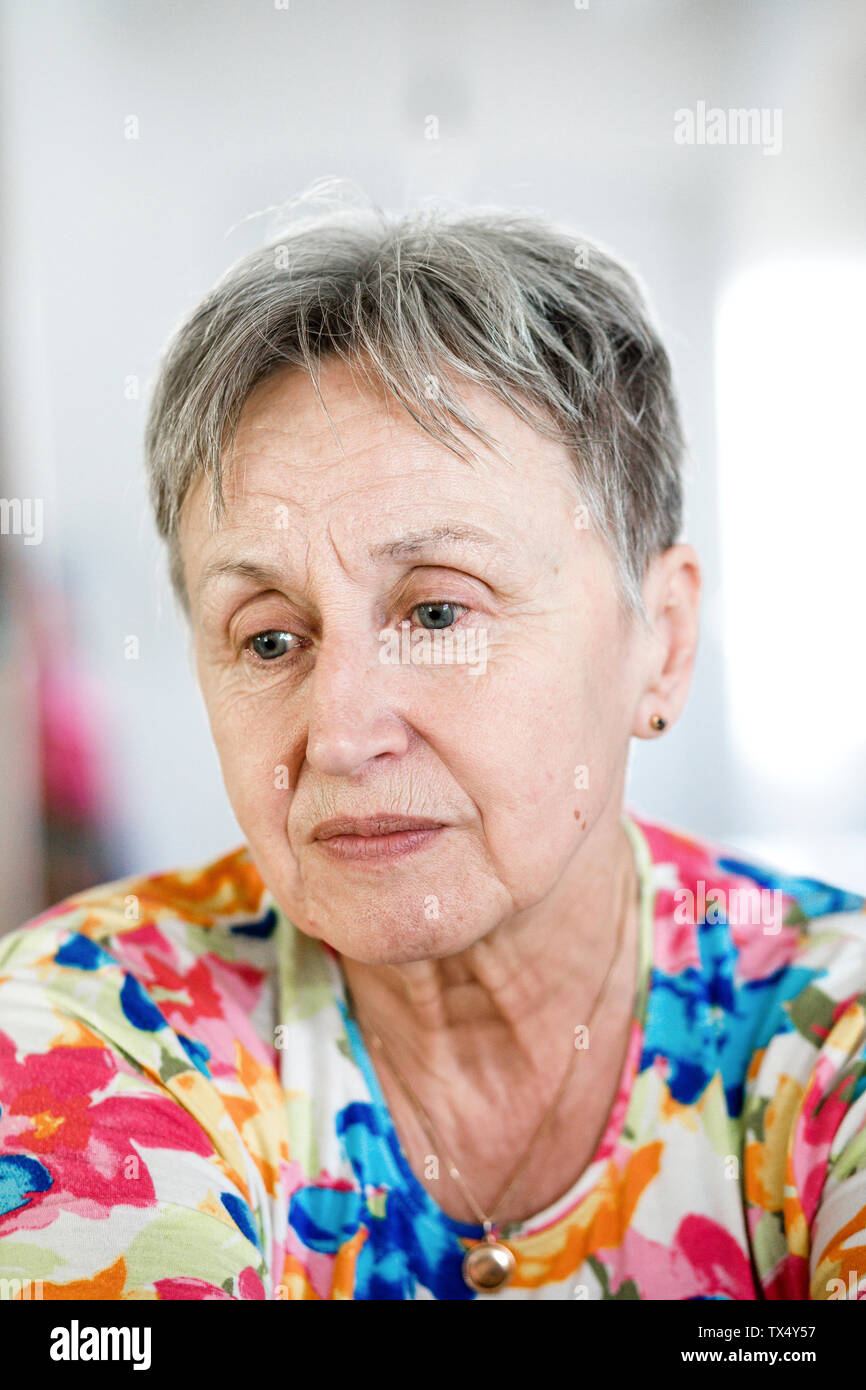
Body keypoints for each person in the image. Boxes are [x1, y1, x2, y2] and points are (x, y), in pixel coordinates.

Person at [0, 193, 863, 1301]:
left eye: (440, 613)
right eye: (268, 637)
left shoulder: (824, 1031)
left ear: (661, 641)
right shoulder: (87, 1030)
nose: (343, 732)